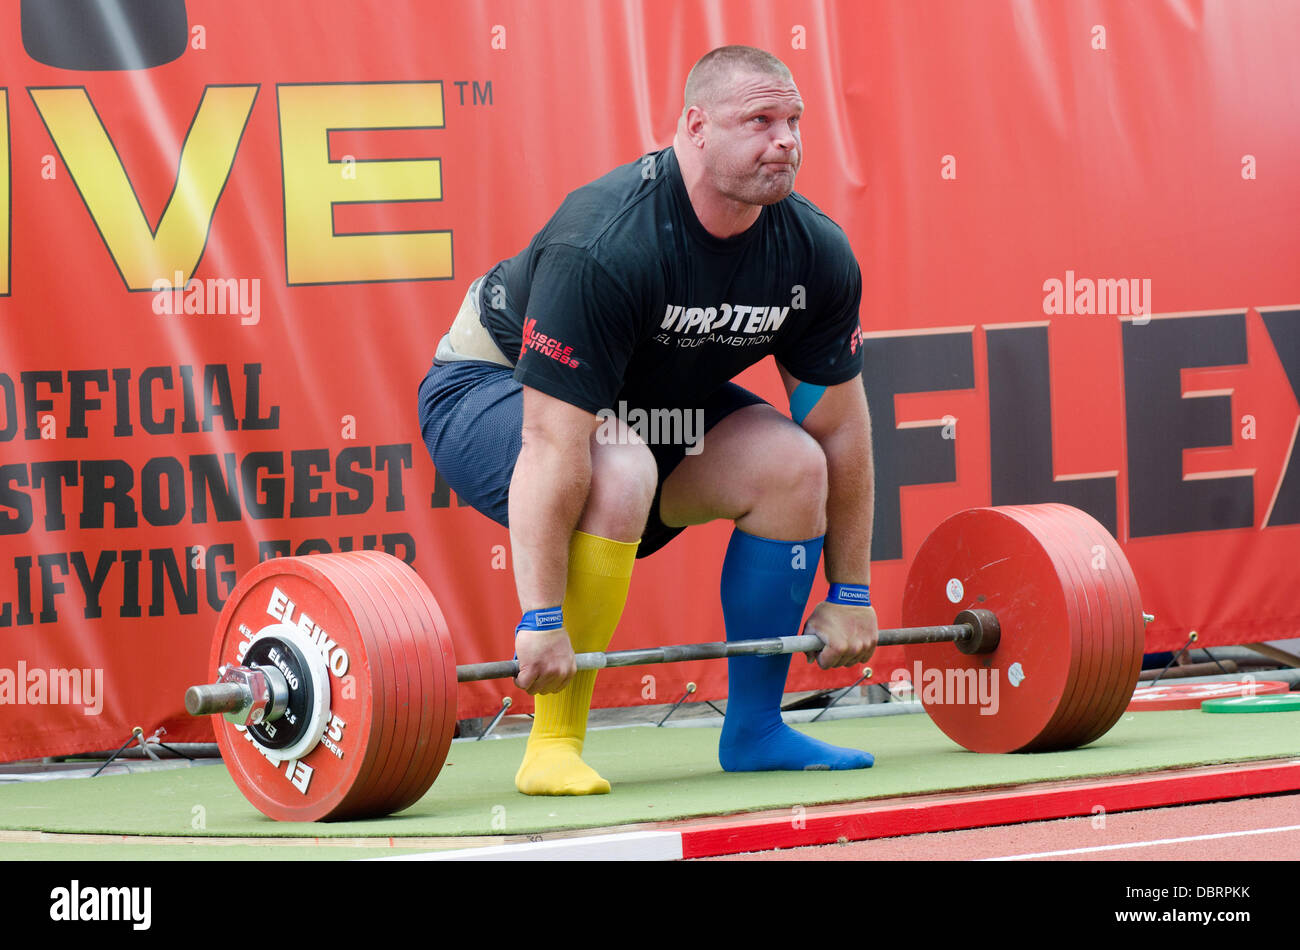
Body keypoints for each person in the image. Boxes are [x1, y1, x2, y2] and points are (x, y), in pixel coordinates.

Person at [418, 45, 878, 796]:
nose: (786, 139)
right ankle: (553, 743)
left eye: (794, 119)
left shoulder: (811, 252)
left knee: (795, 465)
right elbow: (550, 442)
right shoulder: (605, 242)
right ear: (695, 128)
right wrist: (538, 620)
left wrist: (851, 589)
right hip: (492, 390)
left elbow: (842, 430)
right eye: (760, 120)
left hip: (650, 411)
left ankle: (756, 728)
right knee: (617, 461)